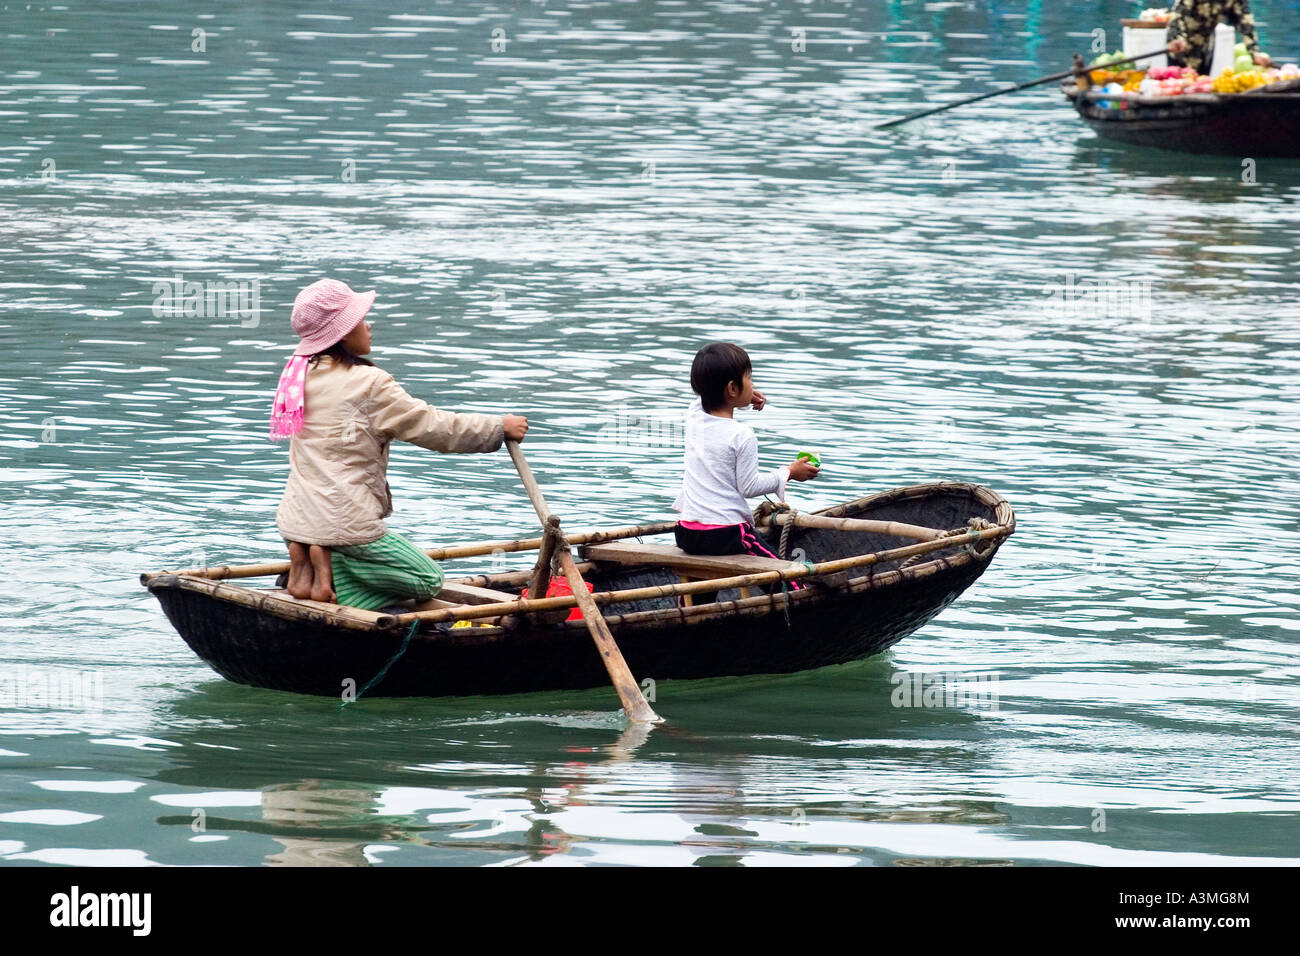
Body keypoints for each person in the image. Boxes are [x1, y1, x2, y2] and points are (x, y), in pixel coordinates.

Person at [270, 278, 528, 610]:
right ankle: (336, 574)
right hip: (344, 526)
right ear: (344, 332)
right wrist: (498, 427)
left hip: (296, 522)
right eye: (361, 319)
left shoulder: (297, 374)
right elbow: (432, 426)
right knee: (427, 580)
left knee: (407, 579)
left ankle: (316, 567)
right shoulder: (368, 383)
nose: (369, 325)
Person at [672, 342, 819, 569]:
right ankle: (800, 594)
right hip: (725, 533)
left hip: (686, 533)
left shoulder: (694, 418)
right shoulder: (742, 435)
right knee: (782, 574)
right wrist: (789, 472)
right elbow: (749, 487)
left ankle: (687, 603)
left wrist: (741, 397)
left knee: (702, 577)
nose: (752, 385)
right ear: (732, 388)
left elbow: (704, 398)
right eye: (749, 379)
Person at [1166, 0, 1271, 74]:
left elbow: (1245, 22)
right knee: (1177, 85)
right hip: (1181, 45)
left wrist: (1254, 52)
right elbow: (1178, 14)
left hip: (1206, 47)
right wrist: (1175, 38)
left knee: (1202, 85)